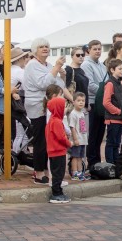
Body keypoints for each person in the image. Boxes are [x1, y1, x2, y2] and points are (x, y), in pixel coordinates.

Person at [24, 39, 66, 184]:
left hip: (50, 107)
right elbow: (43, 83)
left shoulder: (48, 65)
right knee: (40, 140)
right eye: (41, 47)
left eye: (47, 46)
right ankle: (39, 172)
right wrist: (56, 68)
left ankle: (48, 170)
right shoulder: (32, 65)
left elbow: (59, 85)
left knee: (50, 140)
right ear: (35, 50)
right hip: (37, 107)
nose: (45, 49)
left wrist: (61, 74)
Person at [44, 89, 72, 203]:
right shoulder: (56, 121)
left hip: (55, 151)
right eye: (63, 106)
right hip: (57, 151)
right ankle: (56, 193)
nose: (64, 109)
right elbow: (61, 137)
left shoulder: (53, 120)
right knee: (58, 174)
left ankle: (59, 192)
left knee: (58, 173)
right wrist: (69, 143)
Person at [100, 58, 122, 164]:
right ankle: (110, 164)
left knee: (116, 143)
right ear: (112, 70)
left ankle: (115, 164)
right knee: (111, 143)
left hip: (119, 119)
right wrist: (118, 111)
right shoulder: (110, 84)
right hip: (113, 119)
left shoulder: (117, 83)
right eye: (119, 69)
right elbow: (106, 102)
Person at [66, 92, 89, 179]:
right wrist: (75, 139)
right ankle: (74, 172)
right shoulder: (73, 114)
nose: (81, 102)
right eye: (78, 100)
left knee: (80, 157)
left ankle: (80, 172)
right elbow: (72, 127)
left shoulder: (82, 113)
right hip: (77, 140)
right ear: (73, 102)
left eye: (83, 101)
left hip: (82, 140)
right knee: (75, 156)